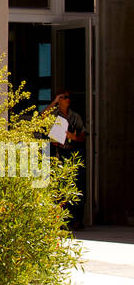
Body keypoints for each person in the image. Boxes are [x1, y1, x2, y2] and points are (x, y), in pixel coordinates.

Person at [42, 89, 87, 228]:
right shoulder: (53, 114)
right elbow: (40, 118)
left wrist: (74, 137)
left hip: (70, 154)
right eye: (64, 97)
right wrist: (54, 102)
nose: (67, 99)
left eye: (68, 97)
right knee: (57, 187)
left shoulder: (74, 117)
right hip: (56, 154)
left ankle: (75, 220)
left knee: (73, 186)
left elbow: (83, 135)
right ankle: (57, 220)